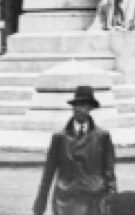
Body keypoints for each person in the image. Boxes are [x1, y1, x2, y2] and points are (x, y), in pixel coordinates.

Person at [34, 85, 118, 215]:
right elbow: (48, 173)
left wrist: (112, 202)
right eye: (76, 105)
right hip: (66, 201)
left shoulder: (102, 137)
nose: (78, 109)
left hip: (94, 201)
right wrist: (40, 203)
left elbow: (109, 173)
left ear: (90, 108)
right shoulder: (60, 138)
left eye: (83, 105)